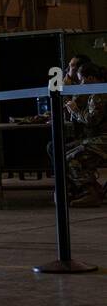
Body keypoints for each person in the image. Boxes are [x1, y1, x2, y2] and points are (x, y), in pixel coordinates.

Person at [62, 58, 107, 207]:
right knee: (65, 151)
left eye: (82, 81)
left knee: (70, 158)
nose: (81, 85)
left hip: (103, 139)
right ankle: (91, 189)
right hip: (99, 137)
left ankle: (89, 192)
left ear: (91, 79)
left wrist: (75, 111)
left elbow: (91, 120)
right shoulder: (97, 92)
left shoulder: (99, 94)